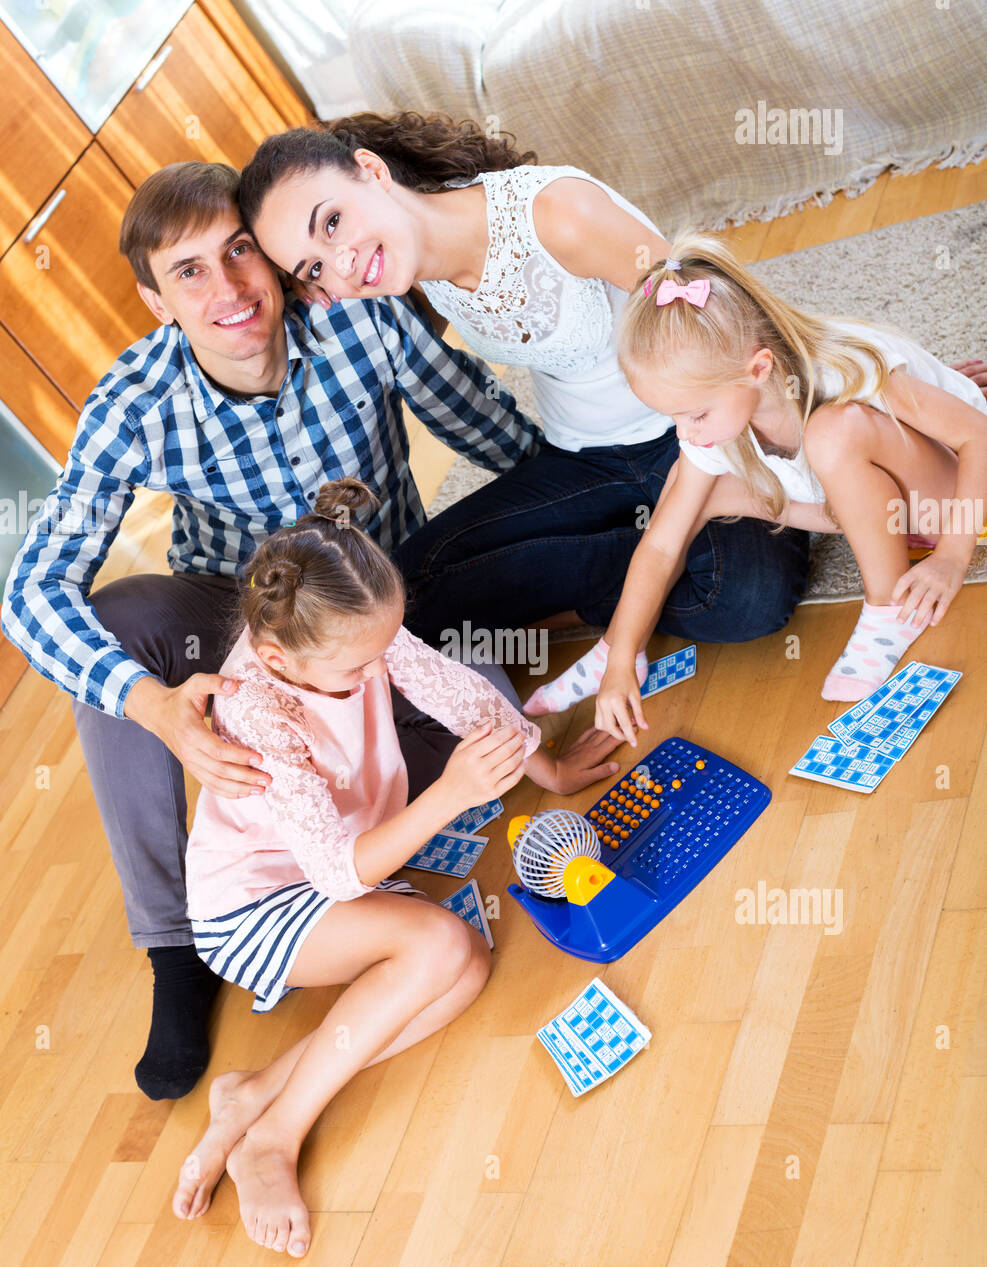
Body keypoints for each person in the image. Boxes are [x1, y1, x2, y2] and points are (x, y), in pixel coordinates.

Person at [0, 159, 547, 1102]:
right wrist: (158, 709)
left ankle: (332, 838)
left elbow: (486, 427)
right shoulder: (134, 402)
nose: (229, 290)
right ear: (155, 298)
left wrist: (609, 503)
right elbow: (31, 591)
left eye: (240, 251)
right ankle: (178, 943)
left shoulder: (354, 310)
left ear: (271, 250)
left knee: (493, 708)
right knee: (116, 626)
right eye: (190, 273)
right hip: (233, 623)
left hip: (383, 611)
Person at [172, 478, 620, 1256]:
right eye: (360, 665)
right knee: (442, 949)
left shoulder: (355, 632)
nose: (380, 669)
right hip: (258, 905)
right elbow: (336, 874)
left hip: (343, 871)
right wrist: (449, 793)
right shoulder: (258, 709)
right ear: (279, 657)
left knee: (467, 968)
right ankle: (271, 1138)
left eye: (388, 646)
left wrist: (545, 769)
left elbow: (461, 698)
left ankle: (255, 1090)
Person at [234, 112, 815, 695]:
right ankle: (647, 565)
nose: (342, 266)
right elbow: (435, 392)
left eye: (331, 222)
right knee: (405, 593)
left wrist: (798, 443)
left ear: (371, 170)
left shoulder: (558, 215)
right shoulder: (408, 274)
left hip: (698, 438)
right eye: (313, 267)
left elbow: (718, 318)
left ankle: (643, 569)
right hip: (586, 458)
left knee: (747, 599)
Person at [572, 233, 987, 746]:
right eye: (673, 416)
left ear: (759, 369)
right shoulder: (721, 411)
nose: (684, 432)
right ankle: (616, 642)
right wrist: (620, 657)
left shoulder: (845, 367)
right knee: (701, 489)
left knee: (832, 432)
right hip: (880, 508)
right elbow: (660, 543)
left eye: (695, 413)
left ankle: (886, 609)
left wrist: (952, 555)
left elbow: (977, 435)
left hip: (949, 503)